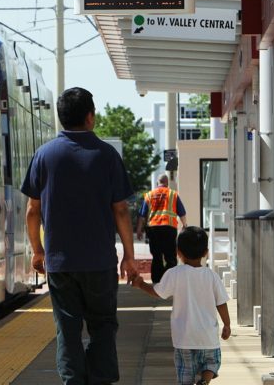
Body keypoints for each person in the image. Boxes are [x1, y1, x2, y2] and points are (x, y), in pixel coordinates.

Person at [23, 87, 138, 385]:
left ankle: (73, 381)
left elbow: (32, 210)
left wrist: (37, 251)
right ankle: (100, 380)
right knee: (102, 325)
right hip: (99, 262)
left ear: (62, 117)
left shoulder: (44, 155)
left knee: (68, 328)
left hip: (60, 264)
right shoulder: (107, 155)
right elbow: (121, 210)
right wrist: (129, 255)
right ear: (90, 117)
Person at [132, 226, 231, 385]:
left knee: (185, 372)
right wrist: (227, 324)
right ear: (206, 252)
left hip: (183, 337)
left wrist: (141, 284)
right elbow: (221, 303)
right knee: (211, 363)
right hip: (207, 337)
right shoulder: (212, 276)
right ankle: (204, 381)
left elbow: (158, 292)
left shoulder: (174, 274)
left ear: (178, 252)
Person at [135, 174, 188, 283]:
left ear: (157, 183)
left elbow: (142, 215)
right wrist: (185, 225)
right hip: (169, 228)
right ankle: (171, 281)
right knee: (170, 256)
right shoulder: (173, 194)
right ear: (167, 183)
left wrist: (139, 230)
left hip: (153, 229)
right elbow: (182, 212)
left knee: (157, 256)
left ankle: (156, 281)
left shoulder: (149, 195)